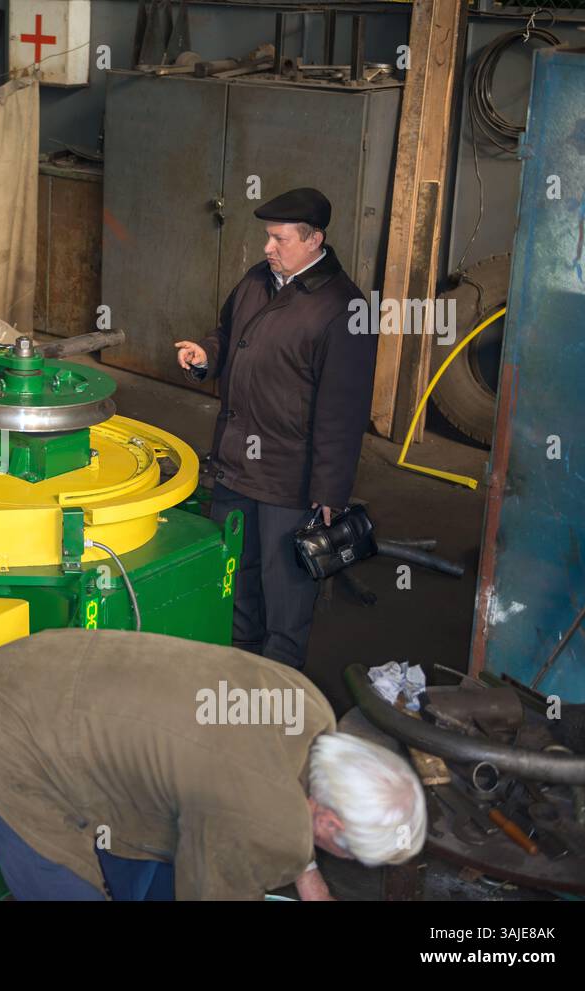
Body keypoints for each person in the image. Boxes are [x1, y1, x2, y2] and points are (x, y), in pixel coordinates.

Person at [0, 628, 425, 901]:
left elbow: (272, 803)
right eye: (355, 853)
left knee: (146, 858)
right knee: (66, 887)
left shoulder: (312, 710)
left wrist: (311, 882)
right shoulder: (264, 821)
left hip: (38, 664)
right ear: (330, 821)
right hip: (4, 732)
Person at [174, 187, 375, 669]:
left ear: (314, 240)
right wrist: (207, 356)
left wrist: (331, 490)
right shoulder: (258, 280)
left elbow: (343, 411)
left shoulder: (344, 309)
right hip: (235, 463)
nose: (267, 248)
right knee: (238, 577)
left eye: (278, 239)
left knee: (285, 591)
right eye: (267, 237)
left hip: (289, 479)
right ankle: (239, 670)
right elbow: (226, 333)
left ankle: (278, 690)